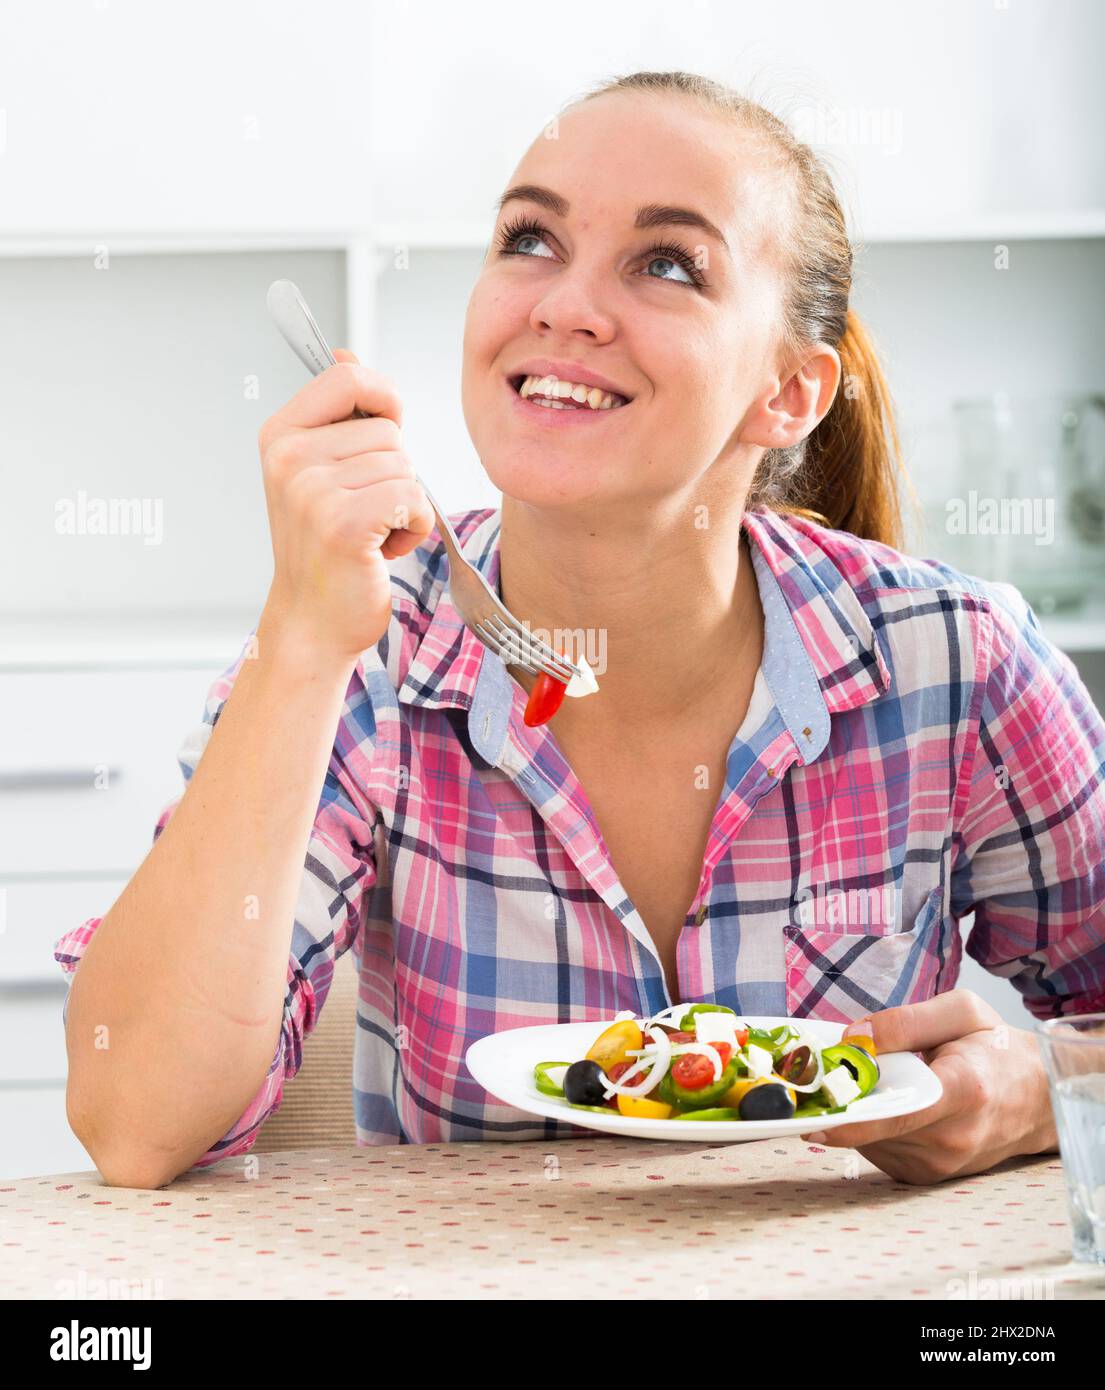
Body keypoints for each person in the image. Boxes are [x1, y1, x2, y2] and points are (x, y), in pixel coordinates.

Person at [56, 71, 1105, 1189]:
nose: (563, 305)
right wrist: (302, 644)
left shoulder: (954, 658)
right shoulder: (366, 658)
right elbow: (136, 1121)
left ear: (789, 393)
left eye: (665, 264)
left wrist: (1040, 1087)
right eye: (529, 239)